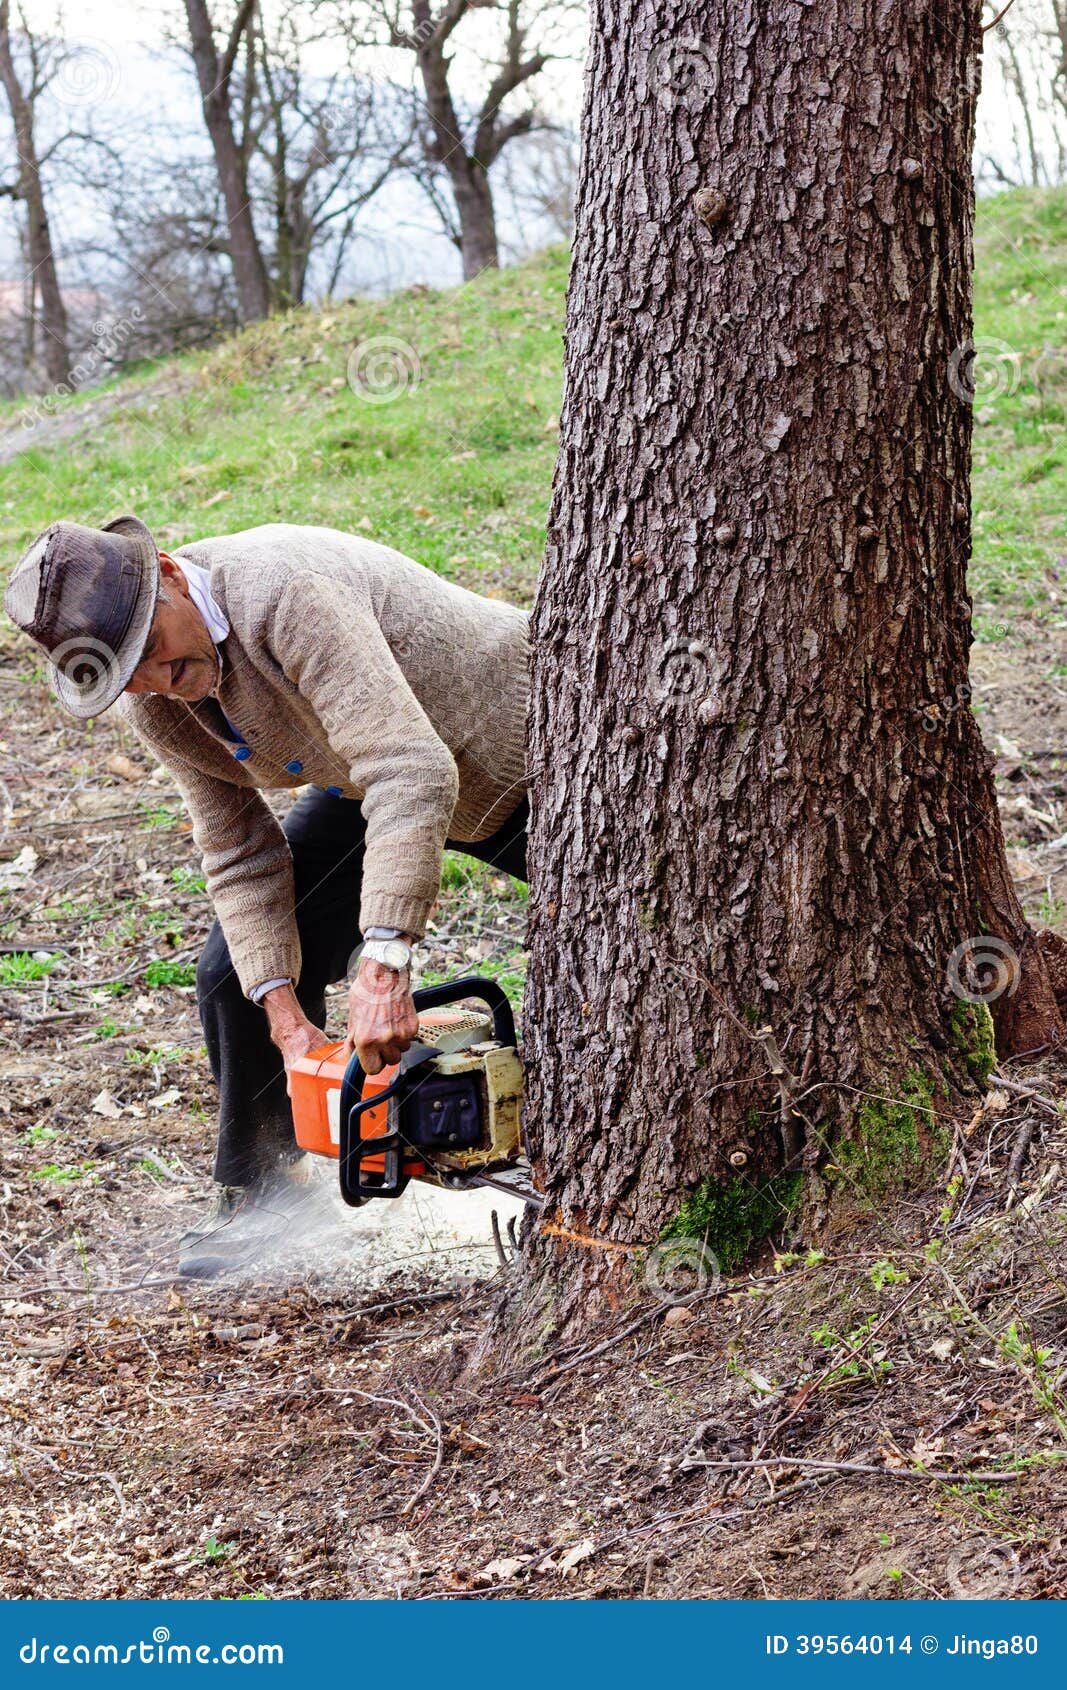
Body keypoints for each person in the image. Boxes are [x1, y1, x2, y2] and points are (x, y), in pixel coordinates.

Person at [4, 517, 528, 1276]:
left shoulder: (286, 594)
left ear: (173, 575)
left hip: (517, 751)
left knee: (637, 937)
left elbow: (413, 771)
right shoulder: (152, 701)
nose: (152, 681)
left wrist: (383, 965)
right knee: (234, 977)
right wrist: (286, 1020)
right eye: (126, 674)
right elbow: (238, 850)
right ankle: (266, 1200)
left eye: (151, 649)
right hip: (370, 775)